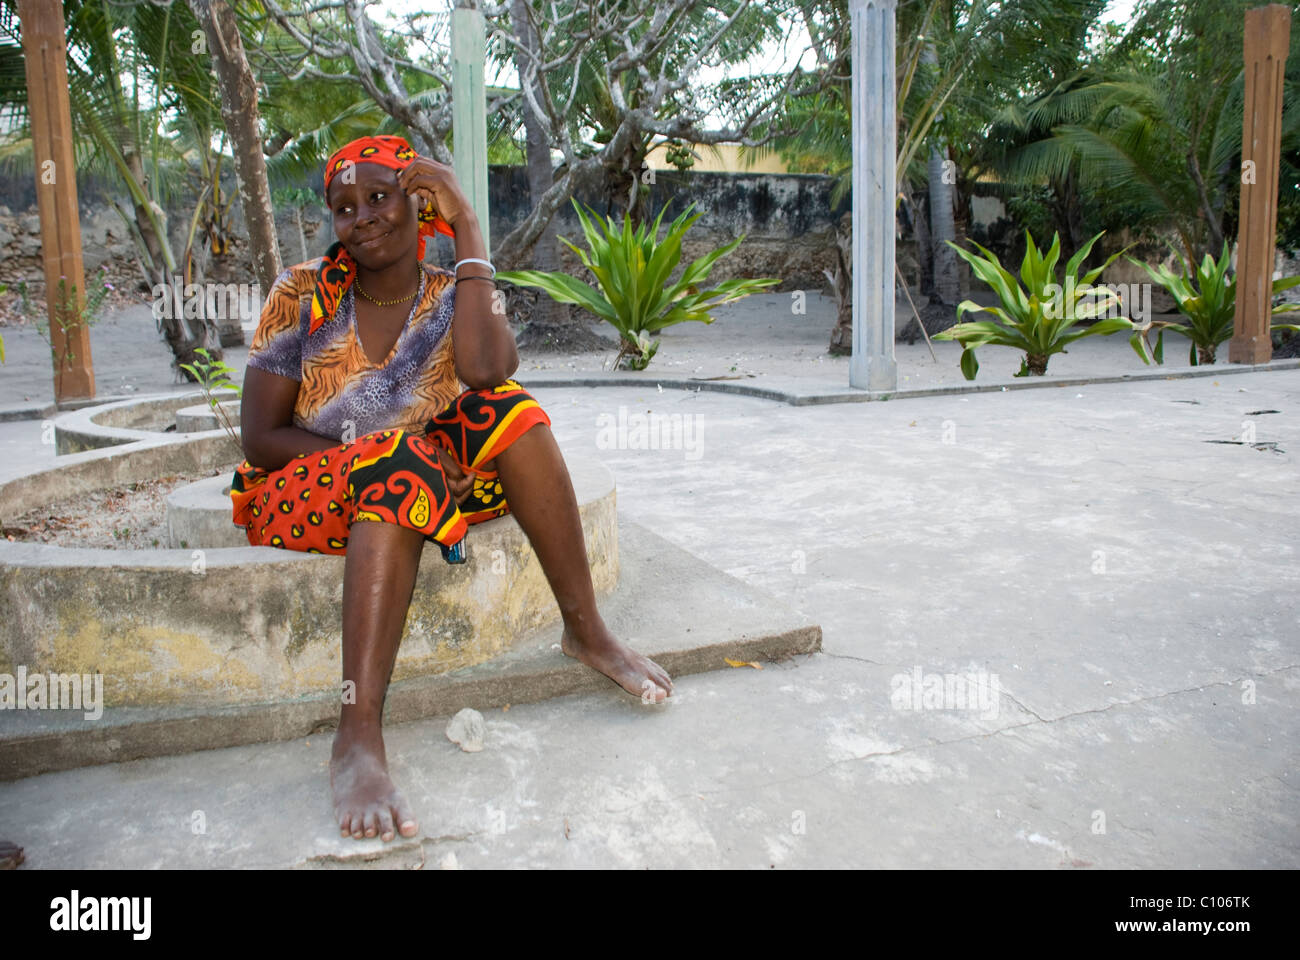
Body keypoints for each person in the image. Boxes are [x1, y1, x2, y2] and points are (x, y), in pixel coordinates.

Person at [229, 134, 673, 844]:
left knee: (513, 412)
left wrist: (469, 227)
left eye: (380, 197)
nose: (363, 216)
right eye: (345, 208)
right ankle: (357, 736)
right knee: (398, 463)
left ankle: (586, 631)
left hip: (432, 480)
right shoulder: (301, 293)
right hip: (305, 487)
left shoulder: (450, 291)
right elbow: (260, 438)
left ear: (421, 206)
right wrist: (381, 453)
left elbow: (490, 370)